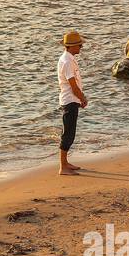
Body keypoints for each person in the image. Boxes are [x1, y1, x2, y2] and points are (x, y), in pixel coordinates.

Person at [56, 30, 87, 175]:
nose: (81, 47)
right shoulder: (67, 61)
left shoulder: (68, 59)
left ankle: (66, 163)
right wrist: (82, 98)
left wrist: (80, 98)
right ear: (71, 46)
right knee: (68, 133)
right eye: (79, 45)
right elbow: (73, 86)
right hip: (70, 100)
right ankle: (63, 167)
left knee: (70, 132)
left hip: (71, 100)